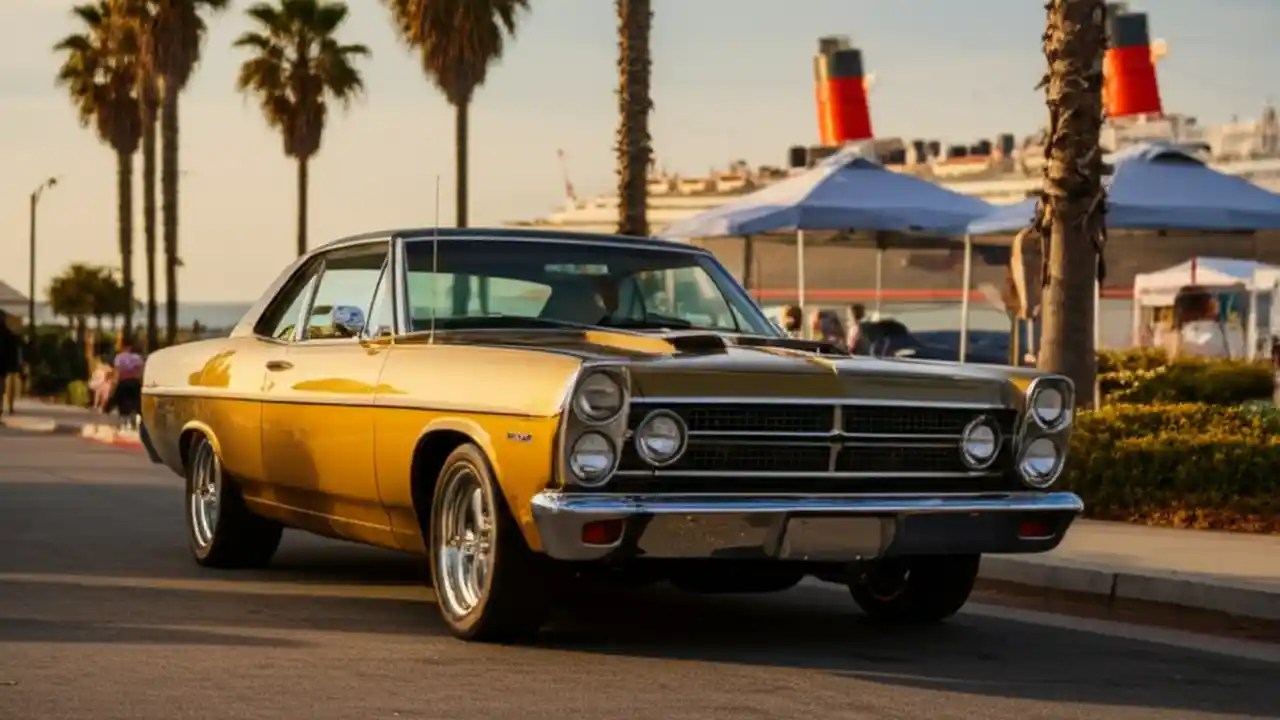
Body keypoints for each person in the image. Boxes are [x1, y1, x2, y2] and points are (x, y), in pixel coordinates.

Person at [112, 339, 145, 428]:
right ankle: (133, 421)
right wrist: (140, 382)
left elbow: (117, 372)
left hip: (123, 381)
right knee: (135, 402)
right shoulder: (137, 358)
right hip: (134, 381)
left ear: (123, 346)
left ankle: (124, 423)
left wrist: (114, 383)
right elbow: (141, 371)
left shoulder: (119, 357)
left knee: (122, 402)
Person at [0, 310, 20, 416]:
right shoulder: (9, 334)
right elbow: (12, 352)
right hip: (3, 366)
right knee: (1, 387)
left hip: (3, 365)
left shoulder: (8, 334)